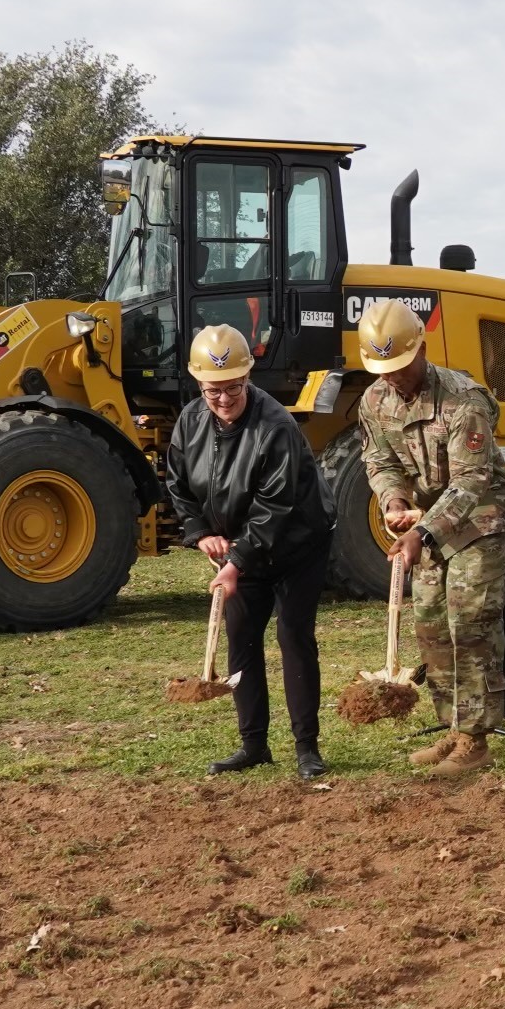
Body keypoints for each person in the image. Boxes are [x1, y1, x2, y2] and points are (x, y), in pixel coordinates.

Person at [354, 297, 505, 779]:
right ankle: (451, 727)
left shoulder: (463, 400)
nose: (394, 377)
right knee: (430, 625)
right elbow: (379, 462)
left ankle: (476, 738)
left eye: (402, 366)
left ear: (421, 348)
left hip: (479, 517)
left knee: (469, 624)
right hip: (427, 520)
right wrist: (394, 504)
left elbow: (471, 482)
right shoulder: (374, 401)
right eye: (384, 370)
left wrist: (421, 533)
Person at [163, 323, 338, 779]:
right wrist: (201, 532)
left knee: (293, 636)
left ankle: (306, 747)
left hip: (296, 543)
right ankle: (253, 745)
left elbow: (275, 507)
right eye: (213, 391)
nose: (223, 400)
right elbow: (178, 484)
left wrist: (236, 560)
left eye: (234, 388)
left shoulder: (275, 426)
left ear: (249, 377)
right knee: (241, 639)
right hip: (240, 549)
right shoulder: (189, 422)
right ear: (199, 384)